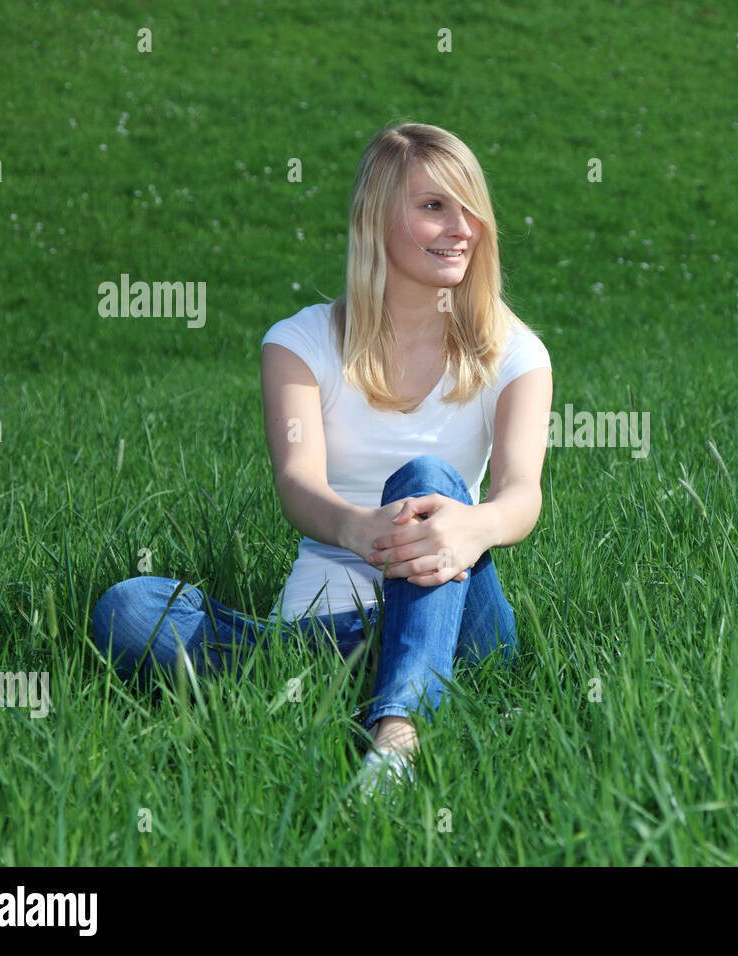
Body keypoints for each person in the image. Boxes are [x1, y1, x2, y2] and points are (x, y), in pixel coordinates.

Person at [91, 122, 553, 803]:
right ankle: (386, 679)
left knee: (427, 482)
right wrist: (360, 530)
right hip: (315, 632)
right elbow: (298, 484)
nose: (463, 227)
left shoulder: (515, 354)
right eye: (434, 206)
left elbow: (521, 495)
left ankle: (395, 739)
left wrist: (472, 529)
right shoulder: (300, 342)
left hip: (463, 620)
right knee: (129, 610)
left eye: (469, 206)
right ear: (376, 219)